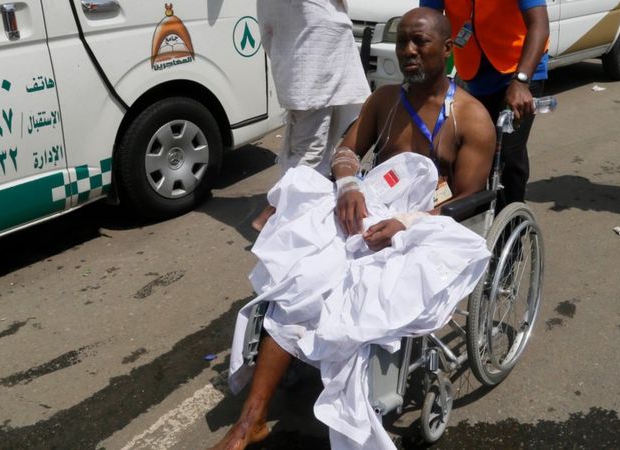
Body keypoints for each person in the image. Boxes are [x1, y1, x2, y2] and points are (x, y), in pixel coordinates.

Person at [210, 8, 496, 450]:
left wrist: (407, 222)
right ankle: (251, 420)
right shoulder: (383, 101)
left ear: (447, 47)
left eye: (420, 41)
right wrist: (346, 184)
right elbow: (346, 152)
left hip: (428, 229)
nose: (408, 52)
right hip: (369, 212)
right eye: (402, 42)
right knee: (301, 280)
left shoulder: (471, 119)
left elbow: (468, 203)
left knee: (360, 298)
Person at [250, 0, 370, 232]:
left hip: (303, 48)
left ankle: (302, 209)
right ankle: (274, 212)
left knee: (319, 144)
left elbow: (268, 23)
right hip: (316, 45)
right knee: (311, 149)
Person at [420, 0, 550, 206]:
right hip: (474, 72)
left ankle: (510, 226)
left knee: (506, 154)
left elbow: (540, 25)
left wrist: (522, 80)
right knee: (463, 150)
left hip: (521, 70)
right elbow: (427, 23)